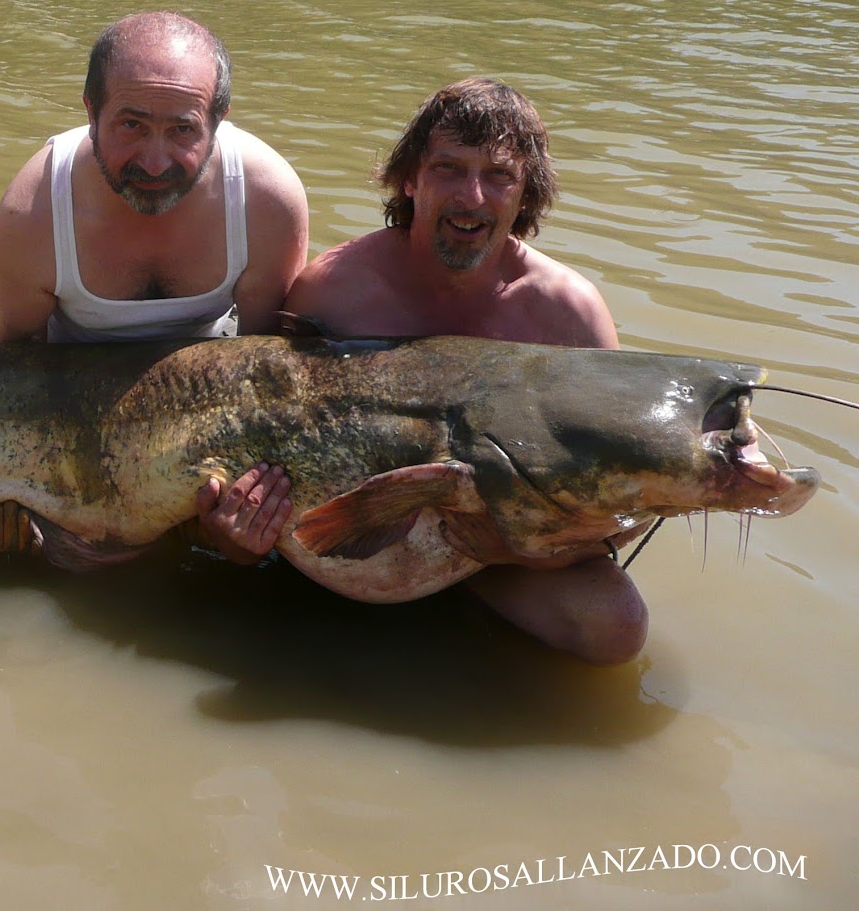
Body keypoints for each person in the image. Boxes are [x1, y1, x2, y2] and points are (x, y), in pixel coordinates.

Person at [218, 77, 642, 664]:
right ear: (410, 180)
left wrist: (507, 550)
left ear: (526, 194)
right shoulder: (335, 290)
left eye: (499, 175)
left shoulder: (567, 314)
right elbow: (252, 430)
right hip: (337, 540)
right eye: (448, 168)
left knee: (616, 627)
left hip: (497, 554)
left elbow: (626, 499)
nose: (472, 196)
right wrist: (236, 534)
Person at [0, 11, 309, 556]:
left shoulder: (267, 200)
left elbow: (266, 372)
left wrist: (243, 508)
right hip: (64, 386)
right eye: (131, 125)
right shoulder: (35, 210)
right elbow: (13, 371)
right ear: (91, 111)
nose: (155, 162)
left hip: (204, 386)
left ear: (219, 118)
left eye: (183, 129)